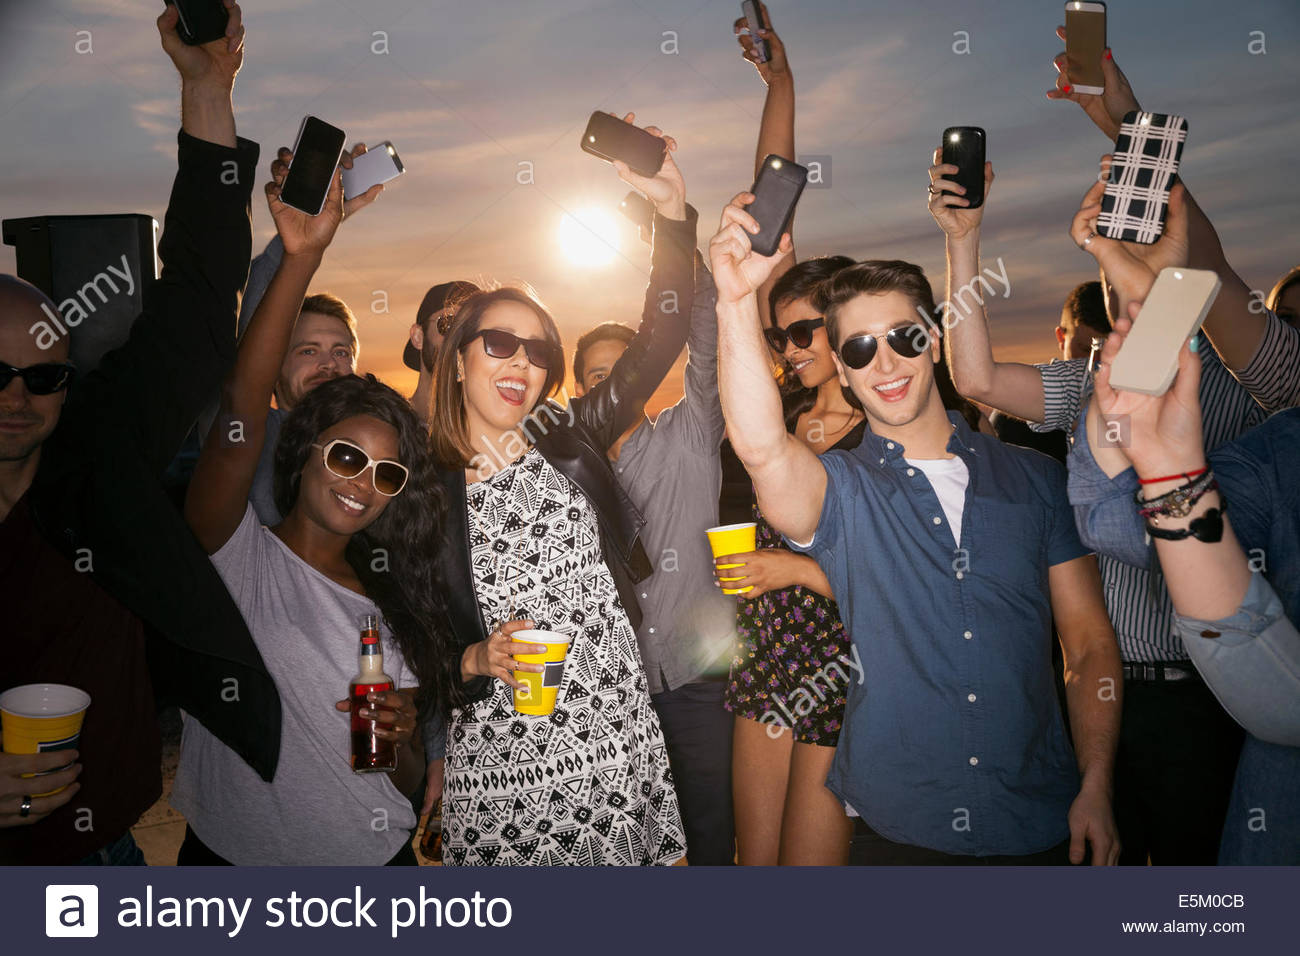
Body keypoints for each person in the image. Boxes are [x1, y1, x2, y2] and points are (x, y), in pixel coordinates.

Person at [938, 38, 1300, 861]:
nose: (1120, 253)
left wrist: (1132, 127)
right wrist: (963, 238)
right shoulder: (1091, 383)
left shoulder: (1253, 388)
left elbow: (1198, 263)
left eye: (1134, 234)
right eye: (1107, 241)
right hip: (1101, 692)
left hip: (1216, 701)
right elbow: (976, 374)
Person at [712, 186, 1123, 864]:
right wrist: (732, 300)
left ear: (932, 341)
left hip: (1043, 822)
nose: (887, 363)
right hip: (892, 833)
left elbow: (1086, 646)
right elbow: (760, 446)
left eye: (904, 338)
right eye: (861, 349)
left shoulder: (1035, 478)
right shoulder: (840, 489)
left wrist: (1097, 784)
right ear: (842, 372)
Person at [1, 1, 281, 863]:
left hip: (110, 850)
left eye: (44, 375)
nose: (18, 396)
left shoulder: (94, 459)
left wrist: (207, 88)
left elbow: (197, 298)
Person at [173, 142, 456, 866]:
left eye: (386, 474)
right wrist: (299, 252)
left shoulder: (394, 591)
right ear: (303, 453)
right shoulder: (237, 551)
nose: (364, 480)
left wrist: (401, 744)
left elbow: (407, 777)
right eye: (347, 457)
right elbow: (241, 396)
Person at [427, 115, 695, 866]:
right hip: (506, 767)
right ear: (456, 361)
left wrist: (669, 211)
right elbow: (402, 637)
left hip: (615, 741)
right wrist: (472, 661)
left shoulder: (568, 434)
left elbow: (661, 337)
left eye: (539, 348)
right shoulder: (420, 493)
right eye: (499, 343)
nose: (523, 361)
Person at [1069, 312, 1300, 863]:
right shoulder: (1282, 451)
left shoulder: (1252, 408)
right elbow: (1124, 528)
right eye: (1287, 320)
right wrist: (1166, 467)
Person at [571, 245, 738, 865]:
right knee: (622, 851)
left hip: (701, 682)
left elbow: (708, 353)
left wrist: (688, 270)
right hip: (612, 698)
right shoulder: (564, 472)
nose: (613, 386)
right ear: (580, 389)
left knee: (711, 838)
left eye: (625, 371)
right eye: (597, 377)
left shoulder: (689, 435)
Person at [716, 256, 861, 867]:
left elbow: (906, 573)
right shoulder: (778, 416)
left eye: (805, 332)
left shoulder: (882, 427)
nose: (790, 349)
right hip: (767, 649)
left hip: (840, 664)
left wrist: (793, 570)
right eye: (780, 336)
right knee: (754, 862)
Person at [406, 280, 482, 426]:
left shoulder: (490, 431)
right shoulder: (387, 426)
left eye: (472, 330)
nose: (459, 338)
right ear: (418, 336)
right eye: (448, 324)